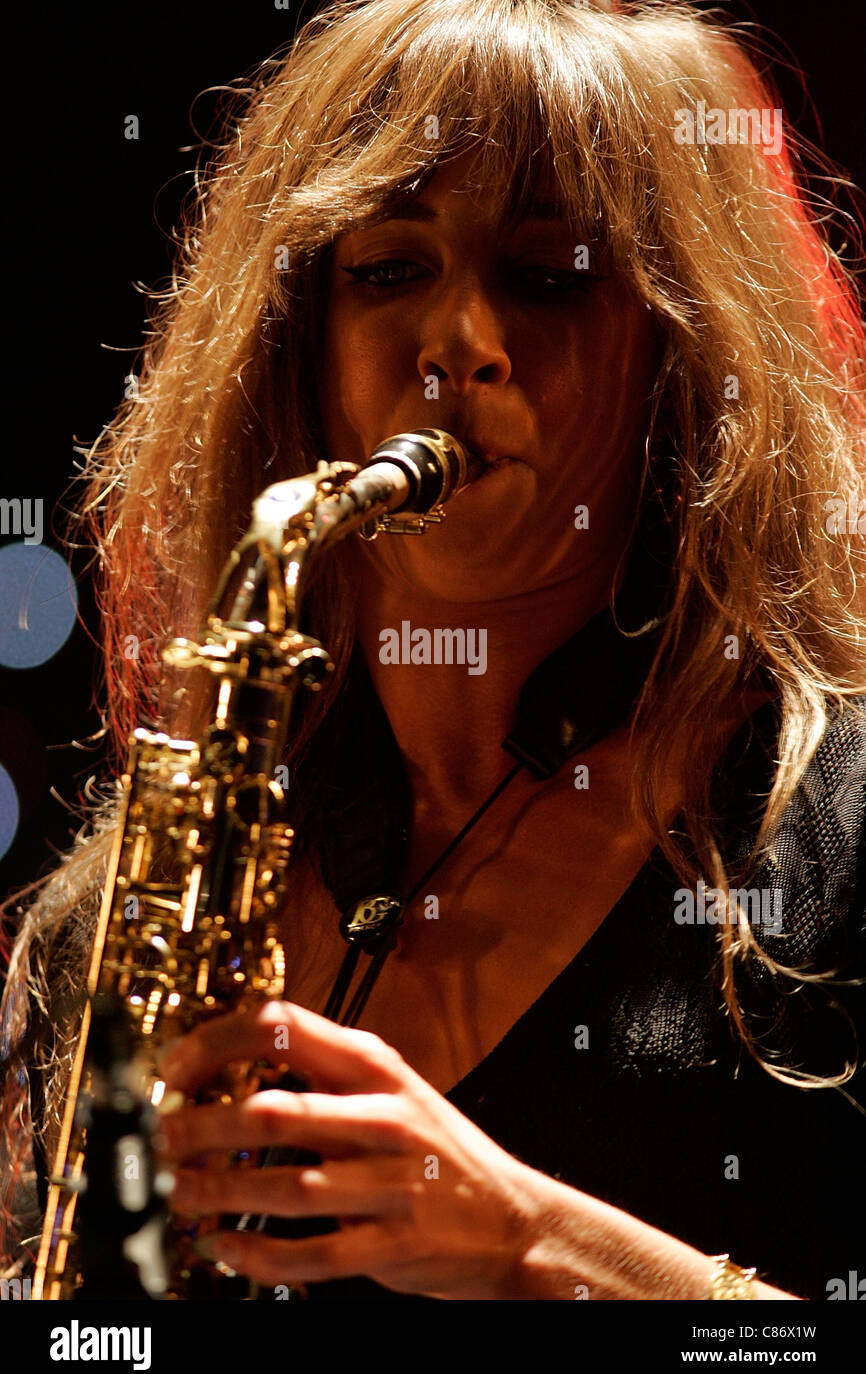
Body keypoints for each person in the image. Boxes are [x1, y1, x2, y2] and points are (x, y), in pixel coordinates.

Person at [2, 0, 864, 1302]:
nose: (458, 342)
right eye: (389, 268)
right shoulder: (127, 914)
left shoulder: (839, 833)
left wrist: (537, 1246)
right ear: (302, 354)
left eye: (549, 273)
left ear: (677, 360)